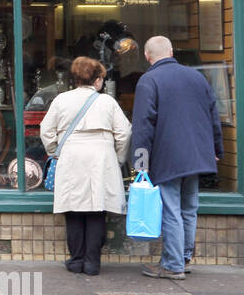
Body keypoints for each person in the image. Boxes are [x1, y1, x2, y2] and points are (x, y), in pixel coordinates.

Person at [130, 36, 223, 279]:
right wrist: (217, 150)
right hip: (197, 156)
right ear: (171, 52)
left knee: (171, 210)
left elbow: (143, 125)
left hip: (168, 156)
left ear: (147, 57)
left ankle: (172, 266)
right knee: (189, 209)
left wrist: (140, 161)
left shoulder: (149, 80)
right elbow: (213, 115)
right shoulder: (197, 77)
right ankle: (181, 257)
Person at [40, 57, 132, 275]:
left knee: (73, 210)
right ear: (98, 80)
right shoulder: (107, 102)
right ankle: (92, 263)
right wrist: (117, 158)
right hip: (101, 157)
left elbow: (46, 130)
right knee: (96, 210)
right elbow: (124, 132)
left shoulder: (61, 100)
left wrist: (55, 152)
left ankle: (76, 259)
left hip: (71, 156)